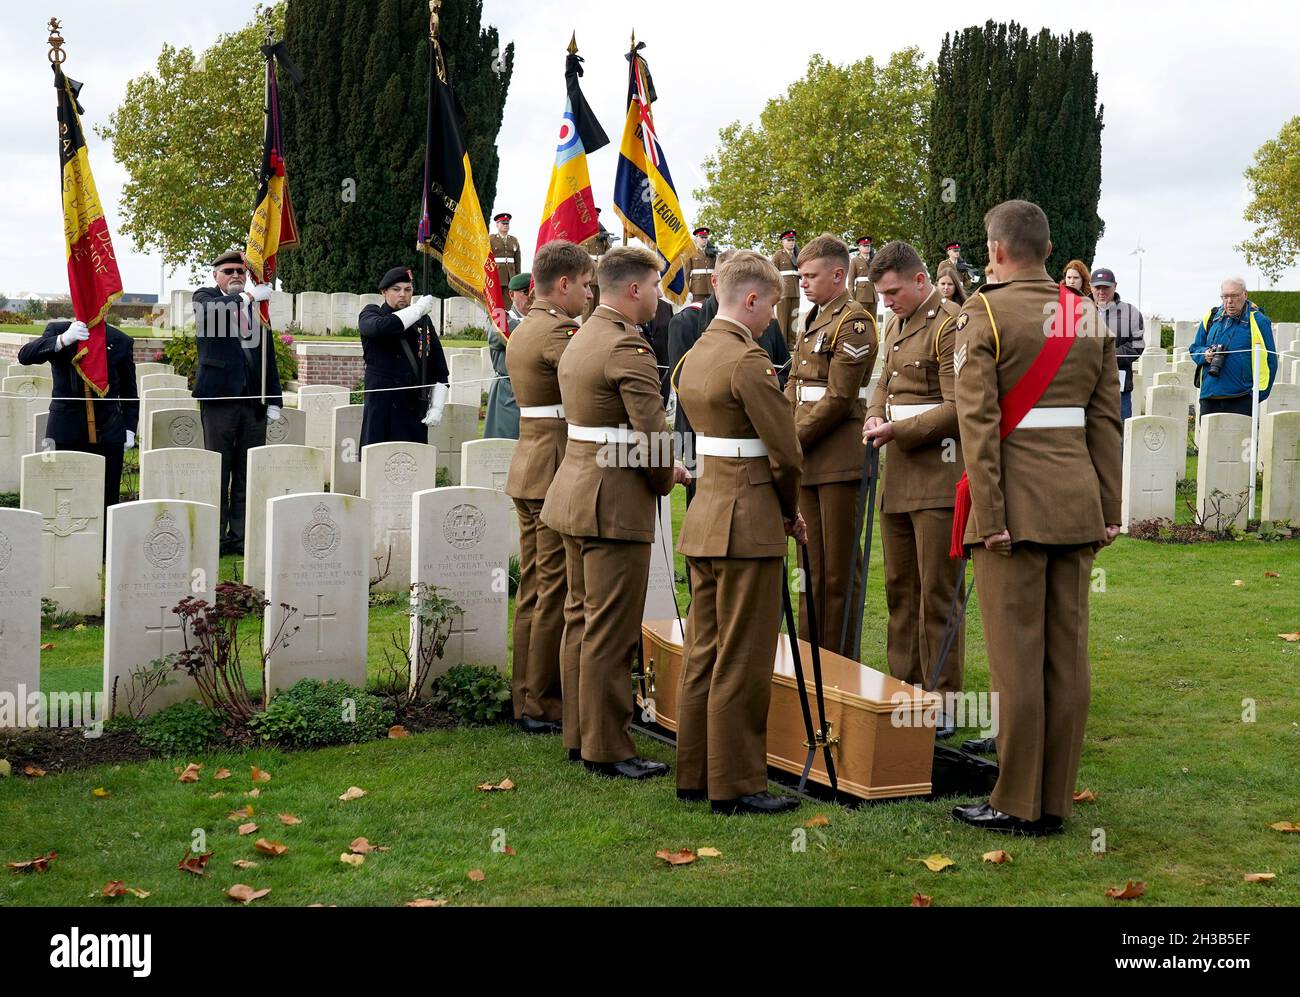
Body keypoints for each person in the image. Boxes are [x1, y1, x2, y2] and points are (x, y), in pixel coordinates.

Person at [951, 199, 1121, 836]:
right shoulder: (1089, 315)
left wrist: (989, 513)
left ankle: (1016, 801)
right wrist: (1109, 508)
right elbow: (1105, 421)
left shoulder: (984, 313)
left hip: (1013, 511)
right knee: (1067, 658)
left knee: (1016, 659)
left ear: (995, 251)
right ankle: (1054, 798)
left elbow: (980, 425)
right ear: (1049, 251)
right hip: (1076, 501)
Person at [541, 246, 690, 779]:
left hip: (575, 492)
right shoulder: (629, 347)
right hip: (612, 502)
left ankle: (581, 735)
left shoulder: (582, 335)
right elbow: (652, 436)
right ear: (634, 289)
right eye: (655, 285)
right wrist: (668, 476)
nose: (659, 295)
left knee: (580, 619)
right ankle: (608, 746)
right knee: (611, 628)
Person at [672, 251, 806, 815]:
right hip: (747, 520)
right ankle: (737, 784)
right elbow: (787, 454)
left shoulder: (695, 354)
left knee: (704, 649)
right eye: (772, 305)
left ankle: (695, 772)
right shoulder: (748, 362)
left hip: (705, 516)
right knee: (744, 657)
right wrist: (789, 511)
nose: (773, 318)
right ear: (751, 300)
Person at [862, 242, 965, 736]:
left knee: (937, 591)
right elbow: (884, 378)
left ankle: (943, 698)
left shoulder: (950, 324)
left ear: (921, 281)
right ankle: (905, 685)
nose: (886, 302)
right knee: (900, 589)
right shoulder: (897, 323)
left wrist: (896, 431)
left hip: (938, 478)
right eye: (882, 294)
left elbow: (958, 406)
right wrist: (873, 413)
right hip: (898, 477)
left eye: (893, 292)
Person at [505, 241, 593, 735]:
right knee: (553, 586)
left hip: (530, 463)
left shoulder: (528, 325)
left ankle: (525, 695)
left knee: (535, 586)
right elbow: (586, 382)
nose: (587, 294)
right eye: (584, 285)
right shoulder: (558, 330)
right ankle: (541, 701)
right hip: (553, 466)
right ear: (563, 285)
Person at [784, 233, 878, 649]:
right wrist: (784, 428)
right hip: (808, 455)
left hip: (839, 457)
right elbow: (795, 382)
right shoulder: (811, 318)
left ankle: (839, 660)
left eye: (811, 275)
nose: (802, 283)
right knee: (809, 566)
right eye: (800, 275)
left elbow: (839, 398)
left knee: (838, 569)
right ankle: (810, 655)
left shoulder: (853, 321)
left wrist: (790, 440)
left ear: (839, 274)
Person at [191, 249, 283, 555]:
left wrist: (274, 399)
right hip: (219, 400)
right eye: (228, 271)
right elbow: (212, 312)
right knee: (218, 471)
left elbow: (267, 353)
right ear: (215, 274)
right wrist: (247, 298)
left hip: (253, 403)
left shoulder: (256, 308)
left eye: (240, 272)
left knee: (247, 472)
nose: (235, 276)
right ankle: (215, 537)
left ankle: (242, 535)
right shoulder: (205, 297)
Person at [18, 318, 138, 510]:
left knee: (106, 500)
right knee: (59, 499)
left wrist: (130, 428)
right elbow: (25, 356)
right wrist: (63, 340)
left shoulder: (120, 340)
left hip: (108, 431)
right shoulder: (58, 330)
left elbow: (130, 392)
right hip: (65, 429)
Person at [357, 266, 448, 448]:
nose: (403, 295)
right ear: (384, 292)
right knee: (379, 463)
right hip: (383, 408)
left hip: (413, 405)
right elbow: (381, 327)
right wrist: (418, 310)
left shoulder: (423, 322)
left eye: (408, 290)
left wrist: (437, 406)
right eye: (396, 289)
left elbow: (439, 367)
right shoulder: (372, 313)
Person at [1190, 278, 1278, 417]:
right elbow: (1195, 348)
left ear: (1245, 294)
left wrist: (1256, 396)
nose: (1229, 301)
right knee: (1209, 439)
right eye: (1225, 296)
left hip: (1242, 397)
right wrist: (1204, 354)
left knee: (1242, 440)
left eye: (1234, 296)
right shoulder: (1211, 317)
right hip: (1209, 395)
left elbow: (1270, 360)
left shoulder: (1259, 320)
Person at [1090, 268, 1144, 422]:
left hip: (1118, 388)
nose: (1101, 291)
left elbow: (1137, 345)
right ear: (1090, 286)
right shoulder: (1078, 311)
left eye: (1106, 287)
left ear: (1115, 286)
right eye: (1097, 287)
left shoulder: (1131, 313)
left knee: (1118, 436)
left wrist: (1108, 355)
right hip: (1085, 386)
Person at [484, 273, 527, 439]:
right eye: (525, 292)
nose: (530, 298)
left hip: (535, 389)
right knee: (505, 443)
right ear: (511, 294)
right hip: (508, 391)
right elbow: (504, 336)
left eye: (534, 293)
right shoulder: (501, 318)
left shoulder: (540, 319)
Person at [582, 209, 618, 322]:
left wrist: (608, 241)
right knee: (588, 309)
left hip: (601, 275)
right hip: (589, 274)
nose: (596, 218)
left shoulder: (602, 231)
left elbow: (608, 253)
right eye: (594, 216)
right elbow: (581, 252)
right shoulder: (584, 232)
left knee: (600, 307)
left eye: (597, 216)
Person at [772, 229, 801, 347]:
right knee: (783, 320)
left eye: (793, 240)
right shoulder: (778, 255)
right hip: (783, 292)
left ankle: (792, 343)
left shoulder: (797, 256)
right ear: (783, 242)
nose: (791, 243)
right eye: (789, 240)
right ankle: (783, 344)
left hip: (795, 291)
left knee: (794, 318)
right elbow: (773, 273)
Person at [489, 212, 521, 289]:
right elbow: (488, 259)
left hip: (511, 276)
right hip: (496, 275)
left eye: (507, 223)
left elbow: (517, 261)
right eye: (503, 223)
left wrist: (517, 277)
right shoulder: (491, 239)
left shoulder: (514, 240)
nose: (505, 225)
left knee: (509, 300)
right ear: (497, 224)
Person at [847, 236, 878, 312]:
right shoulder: (855, 261)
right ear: (860, 248)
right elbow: (850, 281)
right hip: (861, 296)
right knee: (861, 320)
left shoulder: (874, 260)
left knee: (872, 321)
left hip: (873, 295)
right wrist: (852, 298)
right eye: (864, 246)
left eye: (868, 246)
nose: (867, 247)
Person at [687, 226, 716, 301]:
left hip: (711, 288)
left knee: (711, 310)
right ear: (696, 238)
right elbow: (687, 273)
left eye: (706, 238)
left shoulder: (712, 252)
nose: (704, 240)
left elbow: (717, 270)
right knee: (697, 310)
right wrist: (687, 291)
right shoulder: (691, 252)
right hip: (697, 288)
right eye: (702, 237)